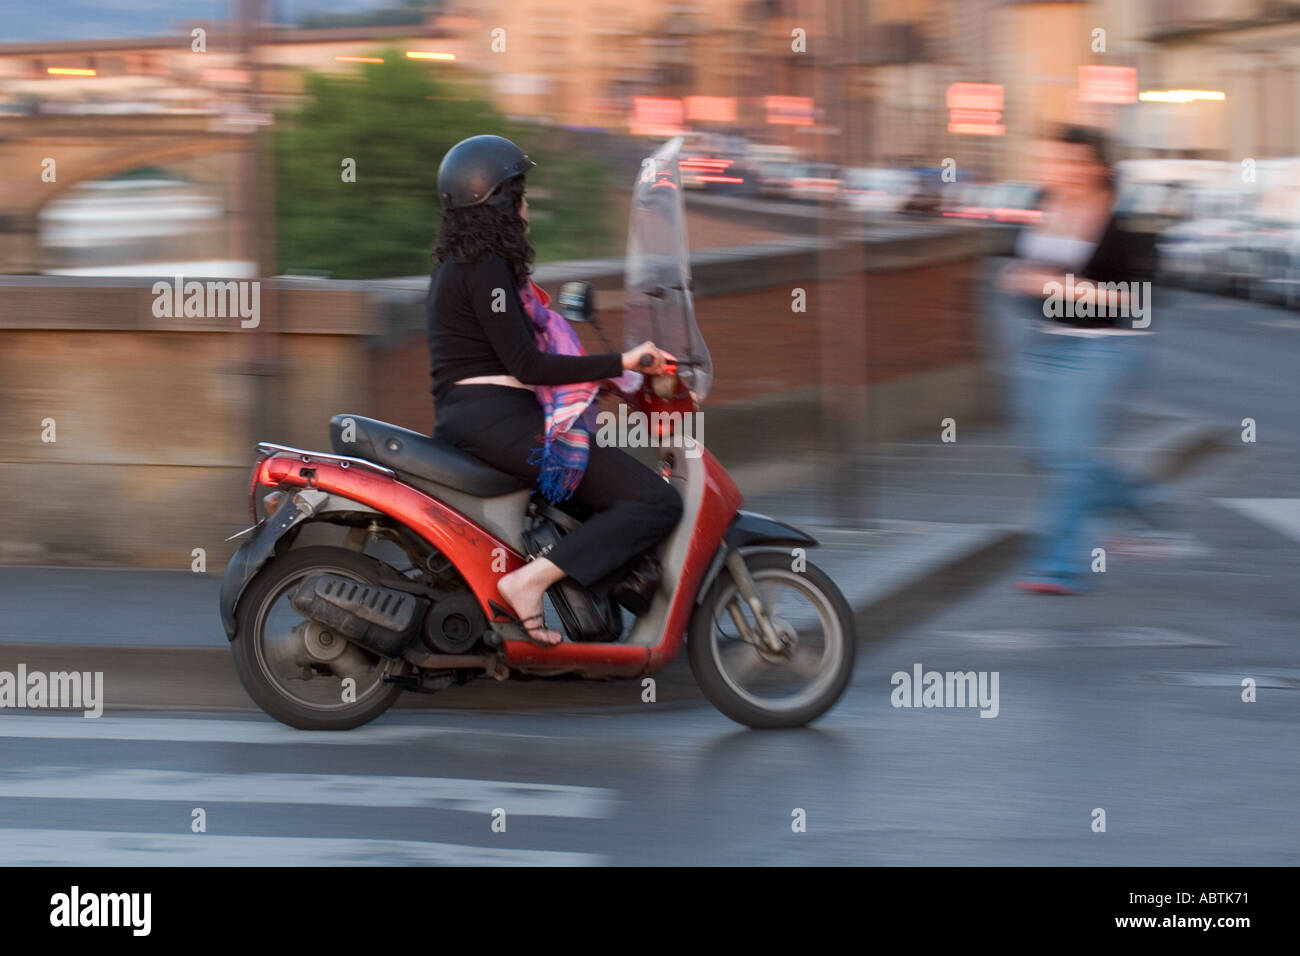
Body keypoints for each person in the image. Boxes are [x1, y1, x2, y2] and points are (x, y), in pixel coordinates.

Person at [427, 135, 683, 643]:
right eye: (518, 196)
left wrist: (600, 376)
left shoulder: (463, 266)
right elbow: (529, 365)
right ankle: (530, 583)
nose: (525, 209)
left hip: (480, 417)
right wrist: (623, 362)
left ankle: (589, 603)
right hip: (494, 419)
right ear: (494, 201)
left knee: (601, 495)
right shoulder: (487, 271)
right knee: (656, 501)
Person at [999, 125, 1167, 594]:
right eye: (1056, 161)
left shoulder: (1123, 222)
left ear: (1098, 167)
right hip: (1043, 344)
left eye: (1074, 162)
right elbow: (1020, 269)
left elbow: (1139, 300)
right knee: (1039, 451)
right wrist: (1017, 278)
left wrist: (1060, 287)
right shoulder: (1044, 206)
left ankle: (1057, 565)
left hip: (1101, 349)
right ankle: (1133, 492)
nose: (1063, 171)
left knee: (1070, 458)